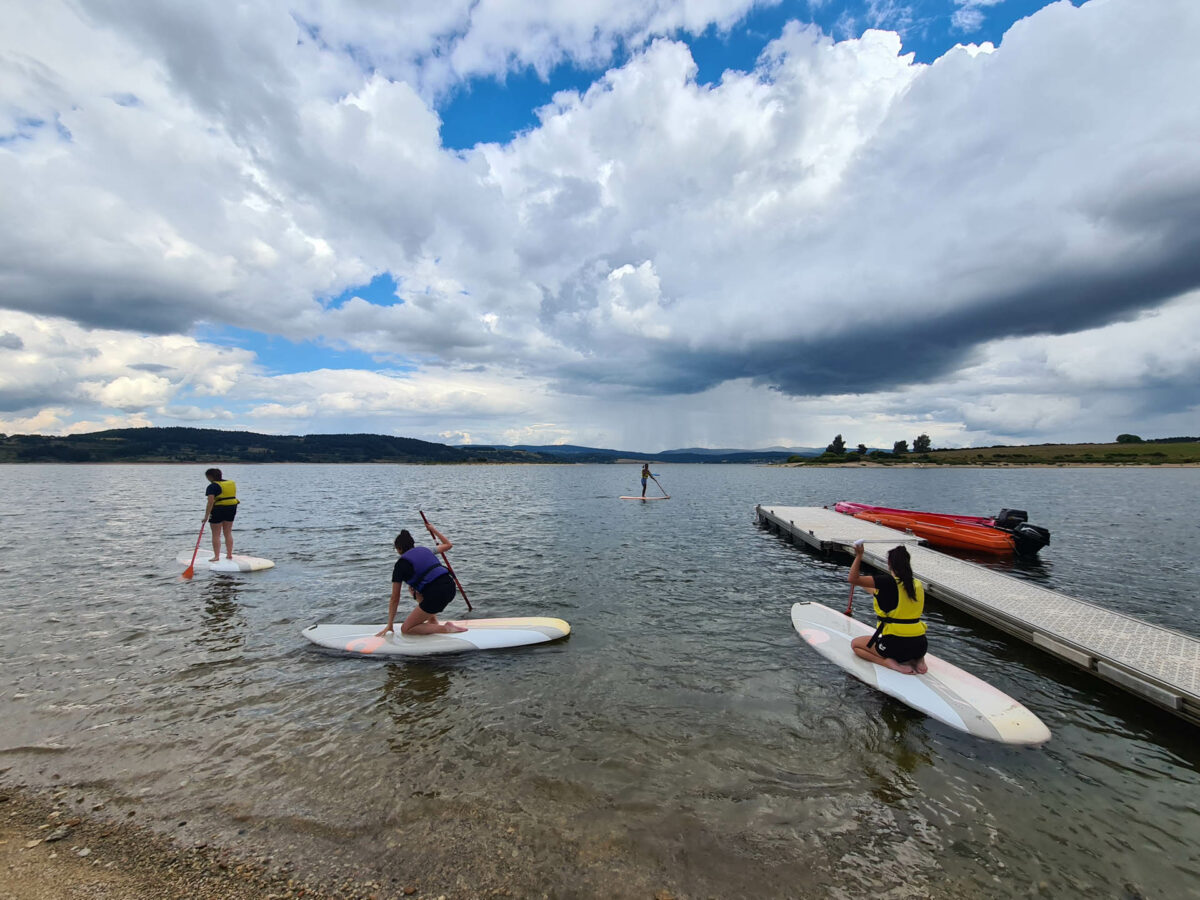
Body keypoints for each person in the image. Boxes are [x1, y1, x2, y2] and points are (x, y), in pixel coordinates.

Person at [847, 542, 928, 675]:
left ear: (889, 563)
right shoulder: (916, 584)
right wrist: (861, 583)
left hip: (895, 646)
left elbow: (852, 578)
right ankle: (920, 661)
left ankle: (888, 663)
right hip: (920, 645)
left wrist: (859, 555)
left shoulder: (888, 582)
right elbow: (878, 592)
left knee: (856, 645)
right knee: (911, 636)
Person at [376, 525, 468, 636]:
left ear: (399, 549)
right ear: (412, 545)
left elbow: (395, 598)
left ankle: (446, 628)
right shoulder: (426, 550)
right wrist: (432, 529)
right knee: (414, 590)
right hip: (450, 587)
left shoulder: (400, 565)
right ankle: (433, 622)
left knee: (406, 629)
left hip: (436, 595)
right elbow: (448, 545)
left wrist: (389, 624)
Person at [202, 467, 238, 562]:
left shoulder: (212, 486)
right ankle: (229, 554)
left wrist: (206, 516)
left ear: (210, 477)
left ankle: (216, 556)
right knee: (228, 532)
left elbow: (210, 502)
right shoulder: (230, 483)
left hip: (218, 509)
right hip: (231, 508)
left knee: (216, 534)